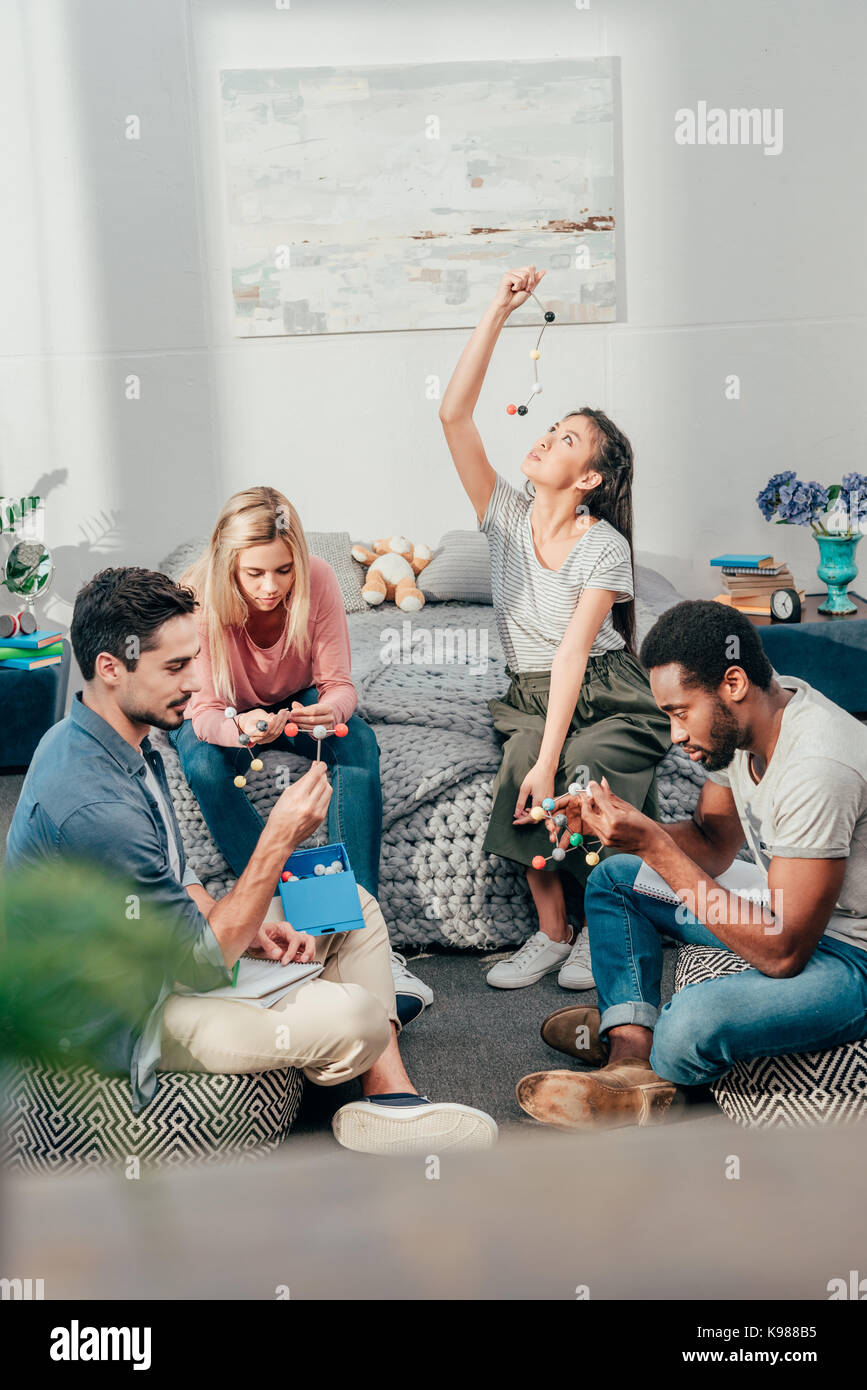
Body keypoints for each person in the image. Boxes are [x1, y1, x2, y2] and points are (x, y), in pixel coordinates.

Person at [5, 567, 497, 1155]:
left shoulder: (107, 738)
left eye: (195, 660)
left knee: (352, 901)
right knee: (361, 1016)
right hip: (128, 1013)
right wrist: (278, 839)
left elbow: (174, 875)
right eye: (175, 667)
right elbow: (200, 962)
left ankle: (388, 1100)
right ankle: (348, 1023)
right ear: (111, 667)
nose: (196, 683)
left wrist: (249, 925)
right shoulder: (94, 803)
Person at [516, 599, 867, 1132]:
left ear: (733, 684)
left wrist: (654, 845)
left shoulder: (817, 767)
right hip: (789, 906)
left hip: (851, 954)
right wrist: (624, 830)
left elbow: (782, 952)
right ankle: (630, 1051)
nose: (676, 734)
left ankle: (651, 1052)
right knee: (614, 879)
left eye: (680, 712)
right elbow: (711, 842)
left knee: (692, 1022)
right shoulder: (747, 725)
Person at [439, 265, 670, 992]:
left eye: (565, 438)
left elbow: (573, 655)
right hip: (532, 691)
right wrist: (497, 311)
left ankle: (604, 924)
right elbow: (453, 416)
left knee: (580, 770)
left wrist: (551, 760)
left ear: (589, 478)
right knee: (520, 774)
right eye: (549, 429)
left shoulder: (603, 546)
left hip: (606, 692)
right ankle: (551, 930)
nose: (544, 439)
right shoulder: (503, 515)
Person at [169, 485, 431, 1023]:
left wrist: (330, 712)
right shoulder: (198, 597)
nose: (271, 587)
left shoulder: (320, 578)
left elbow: (338, 686)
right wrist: (240, 730)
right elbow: (205, 711)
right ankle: (300, 907)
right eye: (254, 574)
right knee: (202, 764)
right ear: (228, 565)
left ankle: (363, 938)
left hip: (294, 702)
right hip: (222, 712)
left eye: (283, 571)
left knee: (357, 740)